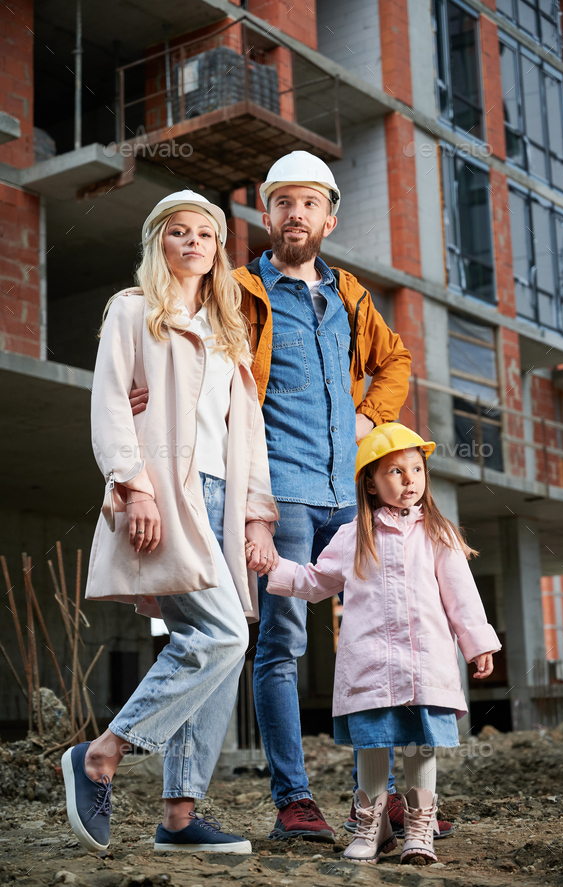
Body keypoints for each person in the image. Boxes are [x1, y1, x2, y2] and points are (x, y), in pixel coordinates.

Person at [130, 151, 415, 841]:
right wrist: (146, 385)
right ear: (267, 214)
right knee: (279, 644)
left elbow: (396, 359)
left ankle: (374, 795)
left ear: (329, 216)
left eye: (309, 202)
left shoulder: (349, 295)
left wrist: (373, 417)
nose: (296, 214)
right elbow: (176, 333)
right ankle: (294, 801)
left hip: (347, 500)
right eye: (283, 201)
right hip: (274, 494)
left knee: (369, 643)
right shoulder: (235, 289)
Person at [62, 191, 280, 855]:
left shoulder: (228, 334)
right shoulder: (134, 312)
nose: (193, 243)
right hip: (168, 494)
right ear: (160, 242)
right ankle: (102, 753)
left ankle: (180, 816)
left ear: (217, 250)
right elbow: (109, 404)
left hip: (220, 497)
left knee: (209, 641)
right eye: (179, 233)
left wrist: (257, 517)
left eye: (205, 235)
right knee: (221, 637)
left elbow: (248, 436)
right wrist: (135, 487)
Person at [260, 422, 501, 864]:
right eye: (395, 471)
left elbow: (461, 595)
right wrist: (273, 565)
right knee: (371, 743)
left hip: (424, 665)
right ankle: (371, 826)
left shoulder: (438, 533)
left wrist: (477, 642)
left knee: (417, 744)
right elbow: (316, 581)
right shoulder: (353, 534)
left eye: (416, 469)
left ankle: (418, 829)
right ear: (370, 482)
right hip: (368, 664)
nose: (410, 480)